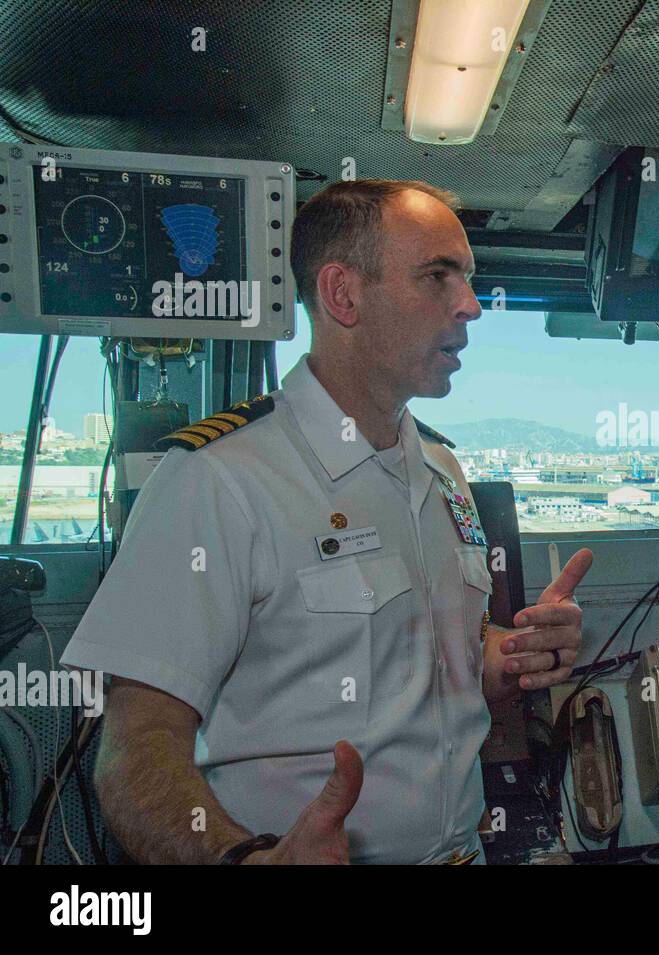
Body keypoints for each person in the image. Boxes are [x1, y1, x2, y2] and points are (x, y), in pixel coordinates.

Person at [61, 179, 593, 864]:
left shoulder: (441, 470)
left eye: (468, 278)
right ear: (342, 295)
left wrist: (510, 653)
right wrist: (241, 859)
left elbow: (436, 657)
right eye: (439, 276)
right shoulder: (217, 480)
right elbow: (134, 754)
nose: (470, 306)